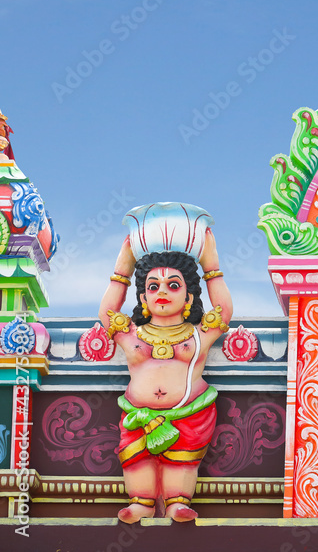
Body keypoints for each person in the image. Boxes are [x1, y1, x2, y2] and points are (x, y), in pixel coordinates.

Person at [98, 206, 232, 524]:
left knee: (181, 465)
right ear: (143, 298)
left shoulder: (199, 336)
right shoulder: (132, 335)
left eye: (174, 285)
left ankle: (177, 502)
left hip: (188, 414)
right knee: (138, 462)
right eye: (153, 286)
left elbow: (223, 311)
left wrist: (211, 265)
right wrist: (123, 268)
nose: (162, 293)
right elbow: (106, 315)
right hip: (139, 416)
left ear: (188, 297)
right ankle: (142, 503)